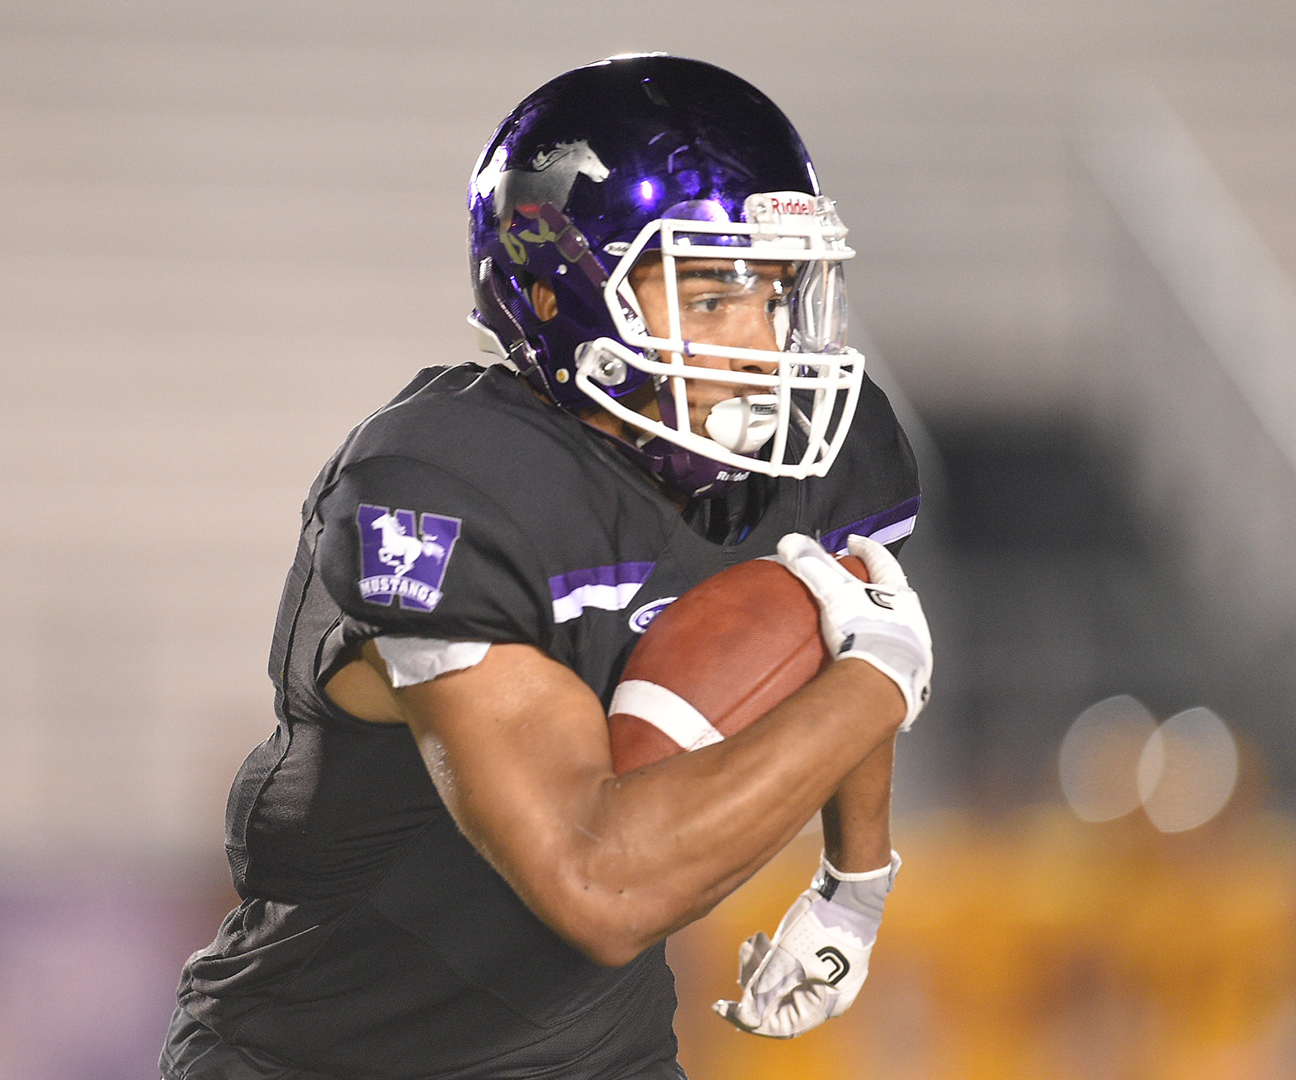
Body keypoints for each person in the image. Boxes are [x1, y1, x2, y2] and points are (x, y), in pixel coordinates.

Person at [161, 54, 932, 1080]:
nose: (761, 344)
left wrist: (855, 881)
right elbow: (600, 886)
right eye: (711, 300)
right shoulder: (450, 486)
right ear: (563, 292)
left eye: (776, 294)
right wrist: (878, 684)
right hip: (321, 1057)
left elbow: (833, 615)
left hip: (598, 1057)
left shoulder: (816, 457)